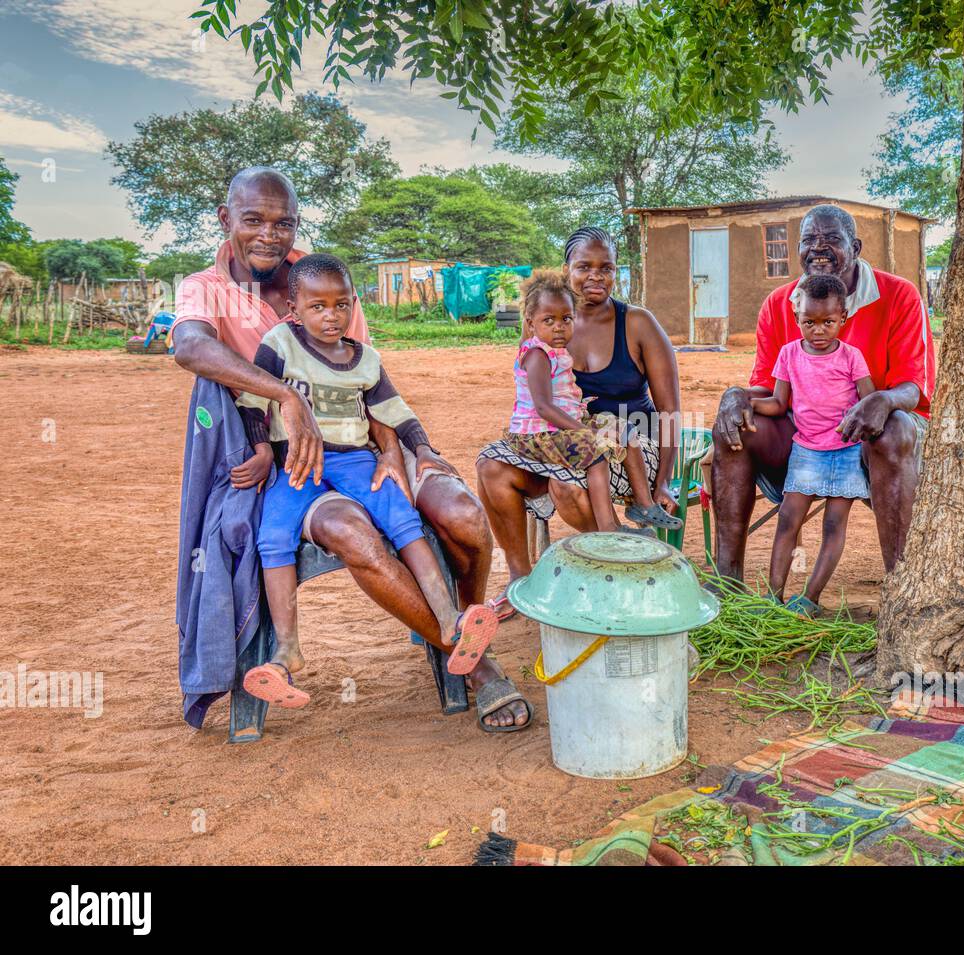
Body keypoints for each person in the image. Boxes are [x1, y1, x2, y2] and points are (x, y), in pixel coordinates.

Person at [173, 167, 530, 731]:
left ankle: (453, 622)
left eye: (283, 222)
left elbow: (369, 381)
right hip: (288, 458)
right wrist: (284, 398)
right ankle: (471, 661)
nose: (270, 234)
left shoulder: (323, 280)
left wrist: (395, 449)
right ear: (225, 220)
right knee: (347, 530)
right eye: (253, 220)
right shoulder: (204, 288)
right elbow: (189, 347)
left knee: (461, 515)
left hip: (364, 443)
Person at [234, 254, 498, 706]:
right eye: (317, 306)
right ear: (294, 309)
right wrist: (261, 451)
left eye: (341, 305)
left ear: (354, 304)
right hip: (295, 465)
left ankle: (450, 618)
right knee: (272, 538)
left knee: (402, 519)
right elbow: (252, 401)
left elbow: (395, 412)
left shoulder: (365, 360)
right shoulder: (279, 344)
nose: (331, 315)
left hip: (356, 459)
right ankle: (286, 652)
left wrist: (421, 451)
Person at [712, 204, 935, 596]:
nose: (819, 248)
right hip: (808, 441)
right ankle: (727, 585)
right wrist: (736, 396)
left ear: (857, 247)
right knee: (733, 424)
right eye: (809, 240)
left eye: (832, 239)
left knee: (894, 426)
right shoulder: (781, 304)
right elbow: (768, 390)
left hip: (878, 443)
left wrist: (881, 401)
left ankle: (904, 592)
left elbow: (913, 388)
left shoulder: (899, 296)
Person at [477, 227, 682, 616]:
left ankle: (612, 565)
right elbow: (535, 395)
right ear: (567, 269)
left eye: (607, 268)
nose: (596, 276)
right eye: (584, 266)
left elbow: (670, 411)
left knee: (566, 484)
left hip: (634, 442)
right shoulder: (544, 322)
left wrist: (665, 480)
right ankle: (522, 580)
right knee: (491, 466)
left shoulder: (638, 323)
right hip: (566, 437)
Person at [502, 271, 682, 534]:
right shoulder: (538, 355)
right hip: (540, 433)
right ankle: (610, 528)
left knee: (624, 429)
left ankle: (644, 505)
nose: (558, 327)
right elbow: (543, 407)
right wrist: (584, 430)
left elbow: (670, 411)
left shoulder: (557, 351)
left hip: (565, 426)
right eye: (548, 321)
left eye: (566, 319)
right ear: (531, 323)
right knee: (596, 452)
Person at [751, 275, 872, 616]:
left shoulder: (852, 357)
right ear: (797, 319)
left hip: (847, 451)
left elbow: (869, 401)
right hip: (806, 450)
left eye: (828, 322)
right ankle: (773, 597)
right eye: (809, 323)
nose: (818, 331)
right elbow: (777, 403)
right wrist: (747, 403)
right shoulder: (789, 354)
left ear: (842, 319)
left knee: (834, 526)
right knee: (788, 520)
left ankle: (811, 598)